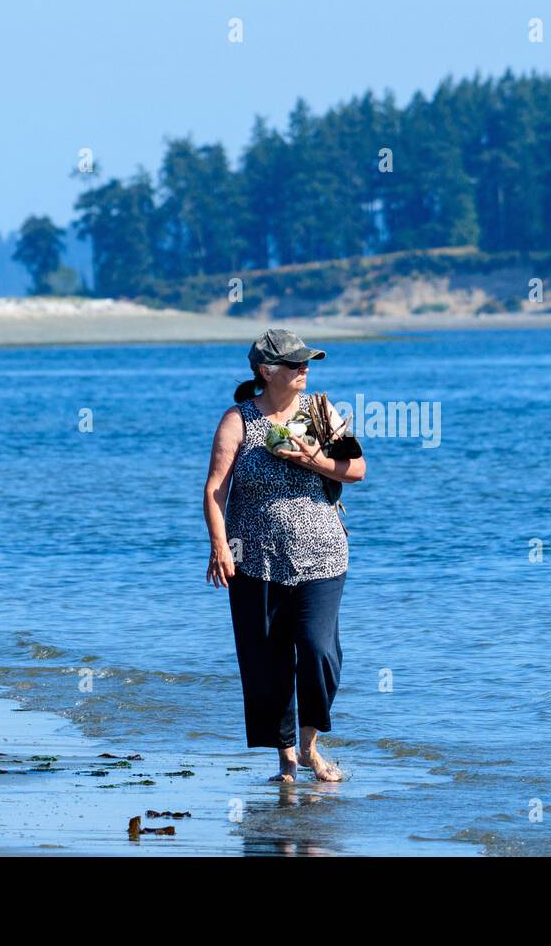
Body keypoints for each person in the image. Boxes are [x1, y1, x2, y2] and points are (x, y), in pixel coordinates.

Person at [203, 329, 366, 782]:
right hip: (254, 558)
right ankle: (286, 760)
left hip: (323, 554)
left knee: (317, 650)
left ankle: (312, 746)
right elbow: (216, 489)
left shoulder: (320, 412)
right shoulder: (239, 420)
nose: (304, 370)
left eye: (306, 362)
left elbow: (356, 469)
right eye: (295, 364)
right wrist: (219, 545)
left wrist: (310, 459)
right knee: (266, 660)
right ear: (266, 371)